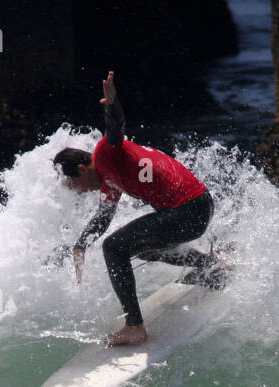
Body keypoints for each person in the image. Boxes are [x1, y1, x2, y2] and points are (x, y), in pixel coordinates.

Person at [54, 71, 222, 346]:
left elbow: (116, 125)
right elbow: (103, 217)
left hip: (189, 209)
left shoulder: (106, 153)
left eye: (76, 184)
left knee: (114, 247)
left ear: (83, 169)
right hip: (198, 207)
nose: (80, 191)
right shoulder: (109, 180)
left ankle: (135, 327)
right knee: (138, 246)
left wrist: (111, 102)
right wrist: (81, 245)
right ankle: (210, 268)